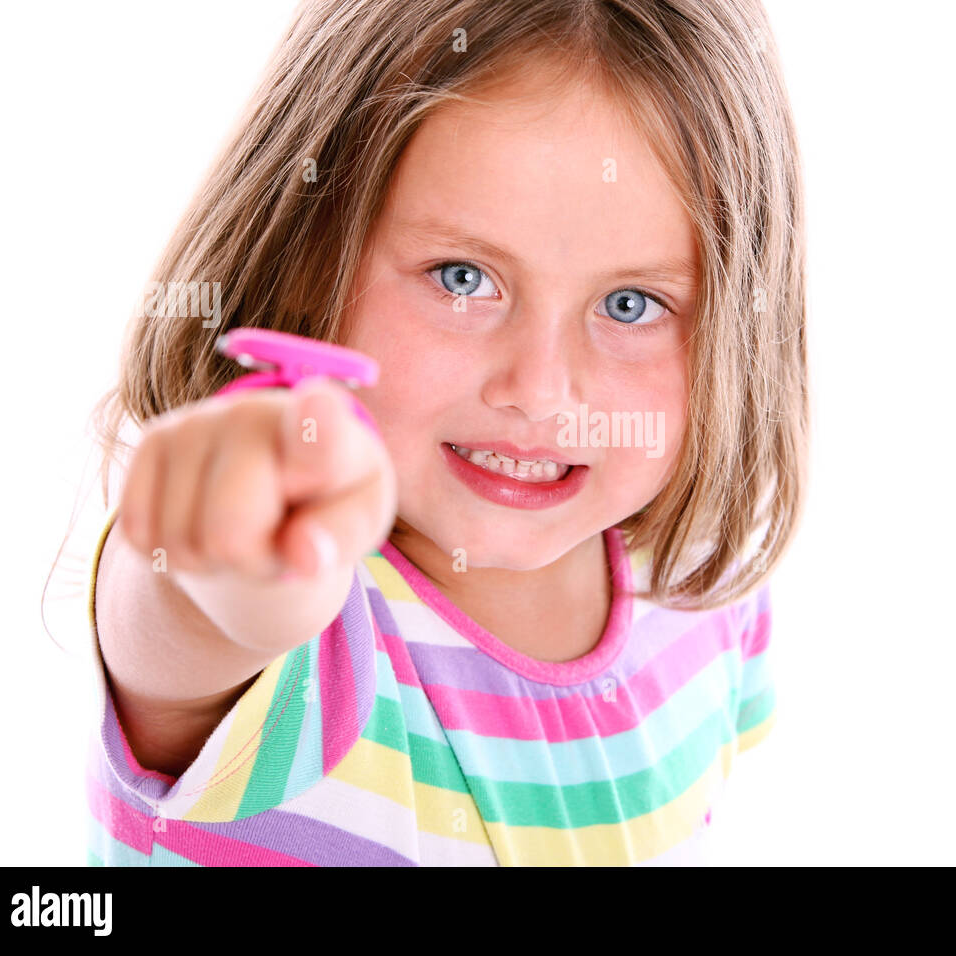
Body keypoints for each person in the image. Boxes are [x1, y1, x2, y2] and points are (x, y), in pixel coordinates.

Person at [81, 0, 808, 866]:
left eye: (630, 305)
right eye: (462, 279)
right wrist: (233, 567)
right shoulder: (302, 651)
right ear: (312, 260)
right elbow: (174, 616)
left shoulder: (702, 586)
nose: (539, 392)